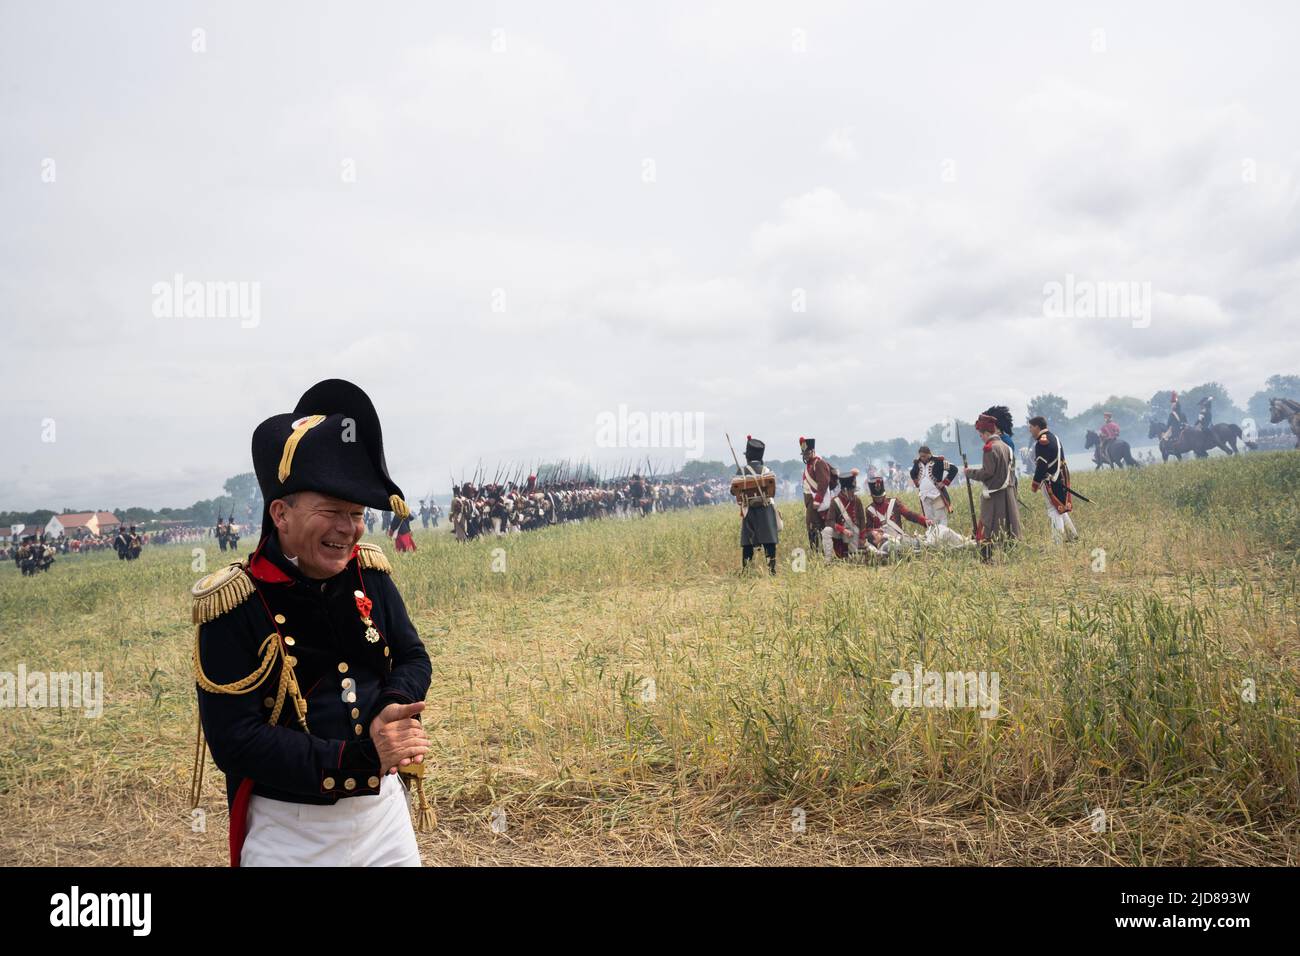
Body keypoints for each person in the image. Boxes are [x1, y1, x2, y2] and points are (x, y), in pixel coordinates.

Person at [191, 378, 433, 867]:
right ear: (281, 513)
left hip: (384, 817)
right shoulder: (233, 604)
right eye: (332, 512)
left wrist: (392, 705)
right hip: (289, 834)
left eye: (357, 513)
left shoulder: (370, 573)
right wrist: (362, 758)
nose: (348, 529)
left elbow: (411, 656)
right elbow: (236, 741)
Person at [964, 411, 1022, 560]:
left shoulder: (989, 448)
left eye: (981, 435)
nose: (981, 438)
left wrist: (969, 472)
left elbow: (988, 473)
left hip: (995, 495)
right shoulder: (1004, 446)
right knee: (1008, 526)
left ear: (985, 433)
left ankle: (986, 559)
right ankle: (1010, 555)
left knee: (987, 527)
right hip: (1007, 493)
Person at [1028, 416, 1078, 544]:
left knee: (1053, 510)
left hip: (1050, 480)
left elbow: (1042, 466)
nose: (1030, 430)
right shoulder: (1054, 437)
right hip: (1060, 478)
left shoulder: (1042, 442)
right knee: (1059, 508)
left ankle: (1058, 544)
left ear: (1037, 427)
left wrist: (1035, 484)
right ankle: (1073, 536)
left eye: (1031, 427)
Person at [735, 436, 779, 574]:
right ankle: (771, 570)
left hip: (750, 511)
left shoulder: (741, 472)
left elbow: (734, 490)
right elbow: (772, 491)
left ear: (748, 456)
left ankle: (746, 571)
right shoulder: (767, 470)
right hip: (765, 509)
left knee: (747, 543)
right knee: (769, 542)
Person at [822, 468, 868, 562]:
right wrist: (843, 530)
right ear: (845, 490)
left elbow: (862, 520)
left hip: (854, 532)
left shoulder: (857, 500)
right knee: (827, 531)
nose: (853, 493)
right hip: (841, 533)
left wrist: (862, 538)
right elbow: (829, 521)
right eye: (852, 490)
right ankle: (828, 560)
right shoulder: (835, 502)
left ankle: (852, 557)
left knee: (855, 558)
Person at [799, 437, 834, 550]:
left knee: (818, 529)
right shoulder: (809, 465)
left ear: (813, 451)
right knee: (812, 528)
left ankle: (822, 553)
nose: (806, 455)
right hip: (811, 503)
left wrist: (818, 500)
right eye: (804, 453)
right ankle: (816, 552)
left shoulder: (818, 463)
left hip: (818, 503)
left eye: (808, 453)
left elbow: (823, 483)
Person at [909, 446, 957, 526]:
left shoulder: (939, 461)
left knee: (941, 517)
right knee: (928, 519)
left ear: (929, 454)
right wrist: (917, 483)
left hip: (937, 494)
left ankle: (942, 535)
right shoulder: (917, 463)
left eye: (924, 456)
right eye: (921, 456)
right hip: (924, 496)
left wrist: (944, 482)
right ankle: (932, 536)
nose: (922, 458)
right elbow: (912, 473)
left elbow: (954, 469)